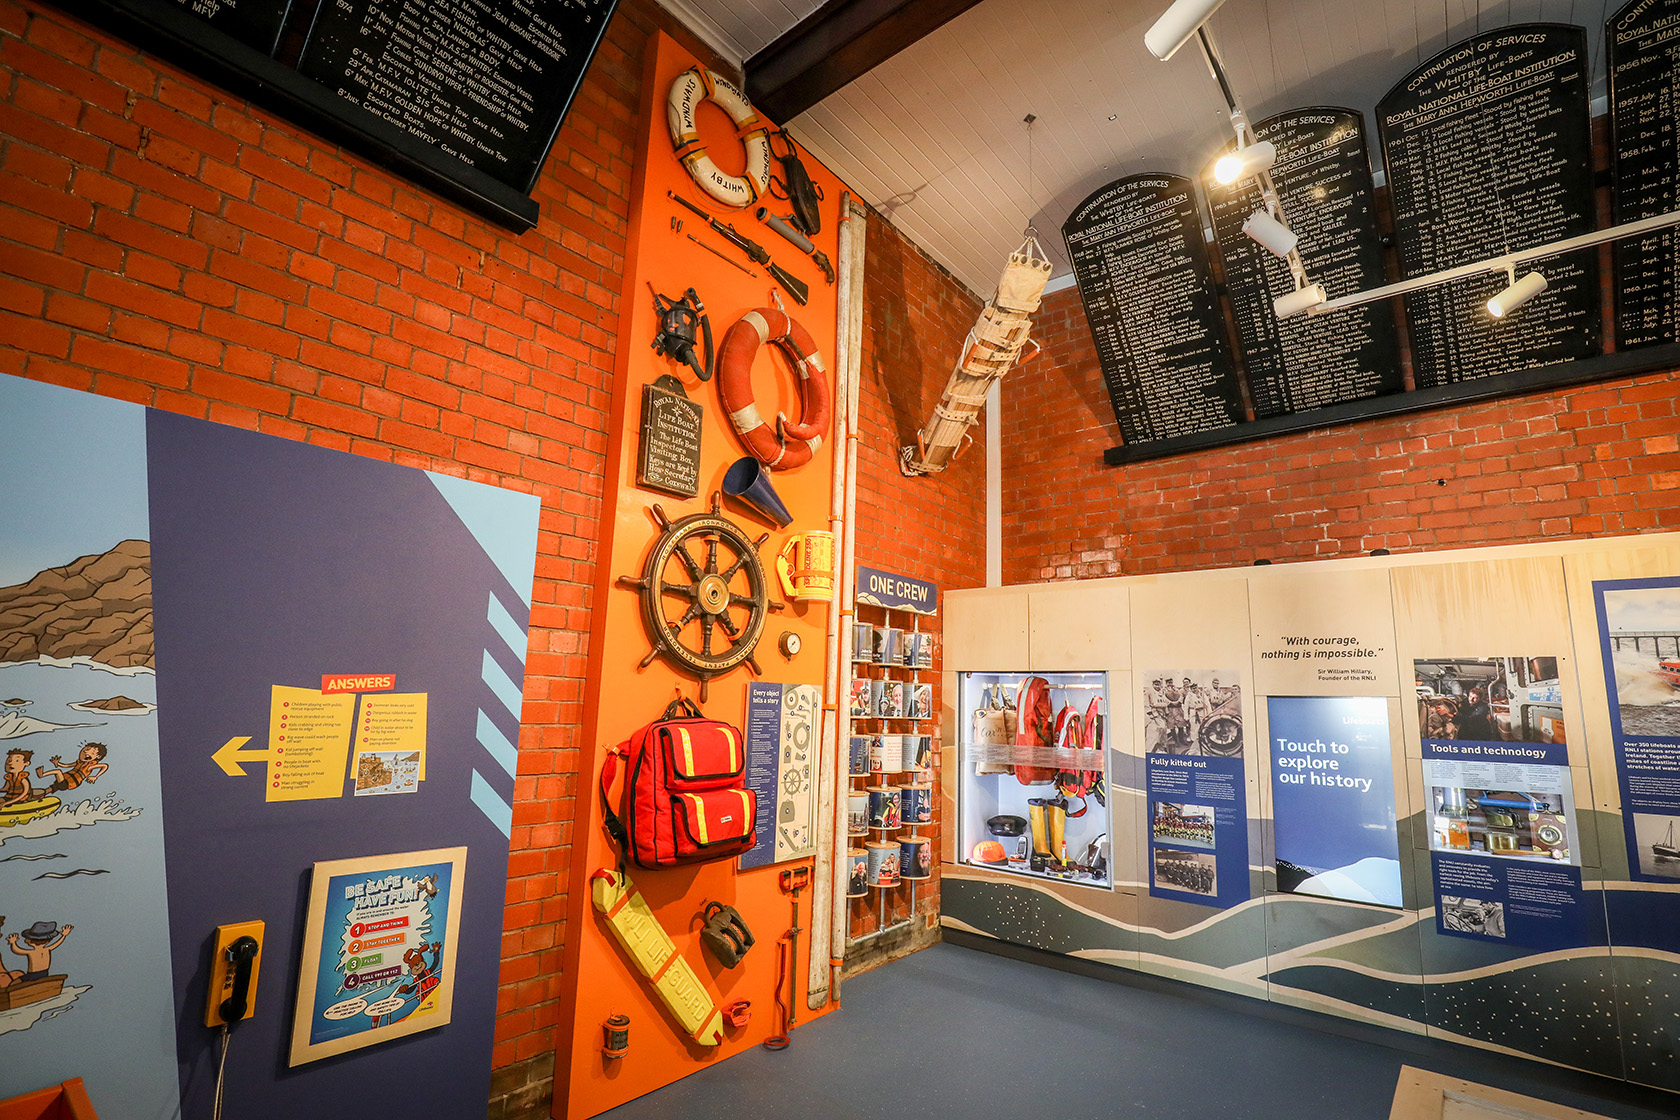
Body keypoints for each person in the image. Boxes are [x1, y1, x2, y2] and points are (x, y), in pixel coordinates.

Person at [6, 920, 72, 980]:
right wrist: (64, 936)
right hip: (45, 973)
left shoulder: (31, 952)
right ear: (47, 941)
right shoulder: (47, 949)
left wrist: (13, 943)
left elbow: (17, 950)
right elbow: (57, 943)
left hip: (32, 975)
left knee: (16, 982)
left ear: (31, 941)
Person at [36, 742, 108, 793]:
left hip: (70, 783)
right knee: (52, 788)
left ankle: (42, 775)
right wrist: (57, 763)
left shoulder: (89, 767)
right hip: (64, 779)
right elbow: (67, 765)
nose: (86, 752)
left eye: (92, 752)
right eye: (85, 750)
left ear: (98, 757)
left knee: (58, 772)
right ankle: (39, 796)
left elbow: (105, 766)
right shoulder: (79, 762)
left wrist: (95, 776)